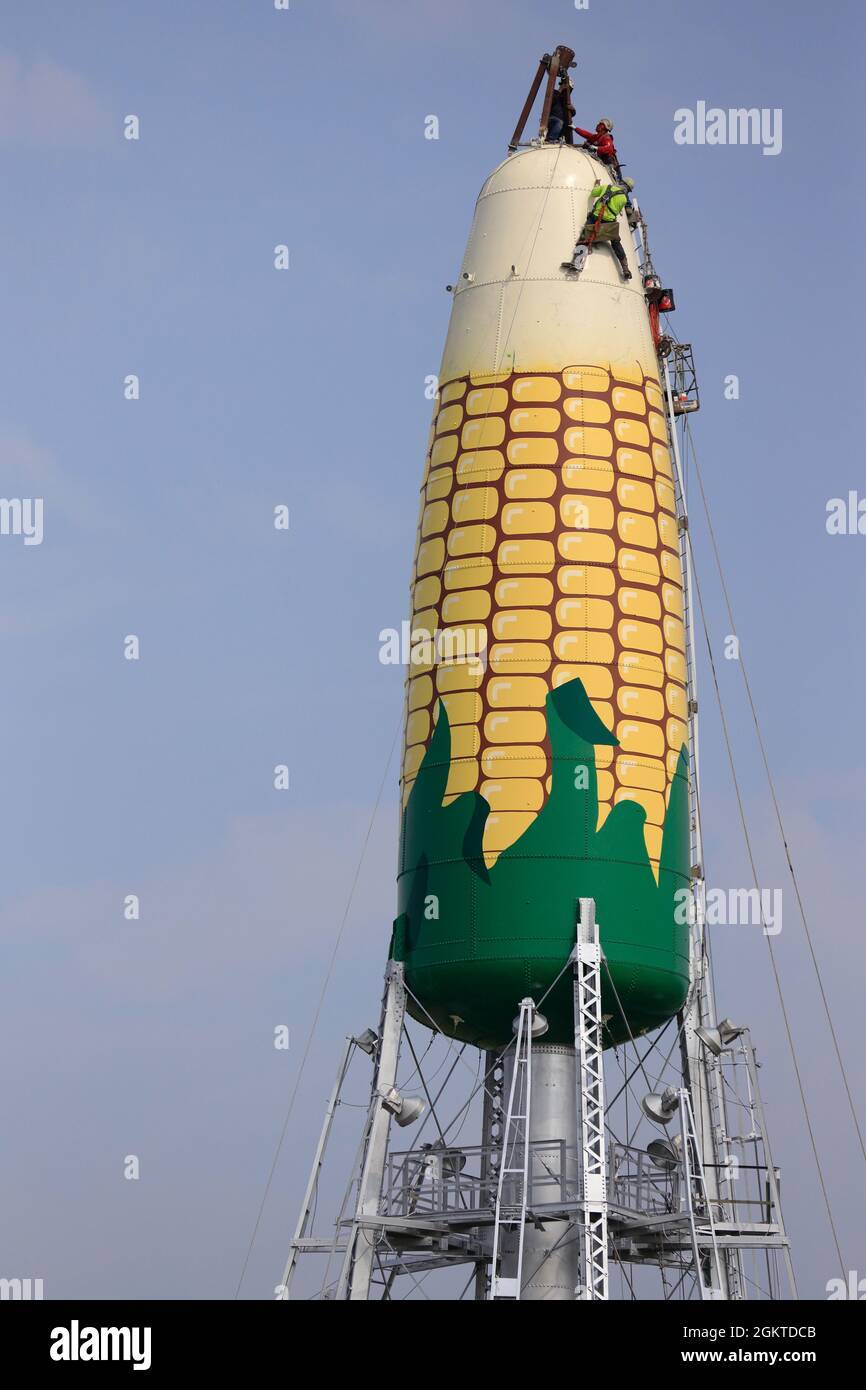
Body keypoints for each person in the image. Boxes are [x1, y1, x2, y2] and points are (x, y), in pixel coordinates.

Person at [562, 178, 636, 280]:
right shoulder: (623, 199)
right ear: (627, 189)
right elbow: (616, 210)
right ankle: (625, 269)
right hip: (609, 223)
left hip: (595, 219)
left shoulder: (607, 187)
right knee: (616, 242)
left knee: (584, 238)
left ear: (621, 183)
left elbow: (594, 192)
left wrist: (597, 185)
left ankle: (576, 262)